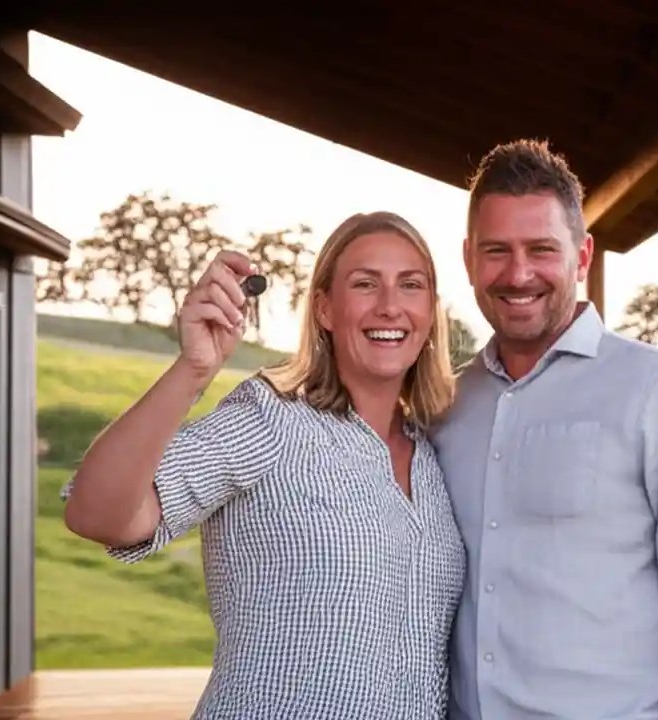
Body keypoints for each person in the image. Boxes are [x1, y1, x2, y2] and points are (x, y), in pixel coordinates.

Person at [60, 211, 467, 719]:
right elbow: (98, 515)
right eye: (365, 284)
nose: (390, 306)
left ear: (430, 310)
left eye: (411, 285)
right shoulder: (269, 421)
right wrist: (193, 371)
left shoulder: (433, 453)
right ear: (324, 308)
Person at [433, 139, 658, 719]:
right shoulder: (448, 405)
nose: (518, 274)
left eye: (541, 249)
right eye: (497, 251)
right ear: (468, 259)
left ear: (582, 256)